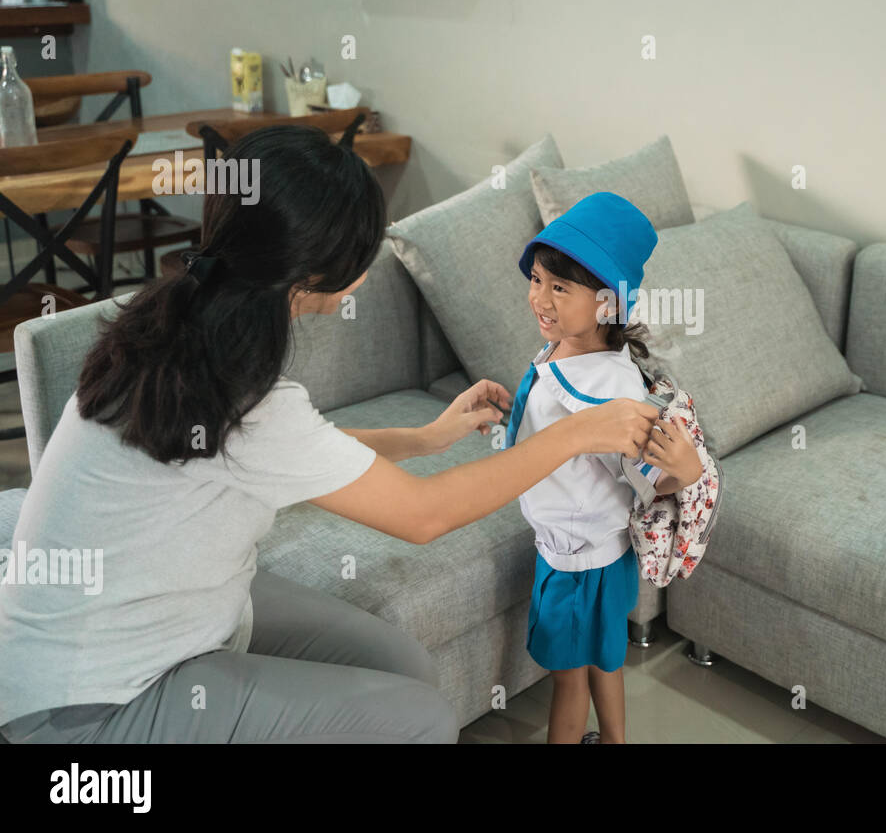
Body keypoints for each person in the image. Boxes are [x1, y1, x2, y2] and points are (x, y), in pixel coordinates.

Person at [0, 125, 659, 744]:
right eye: (360, 252)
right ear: (312, 272)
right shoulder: (233, 387)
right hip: (86, 704)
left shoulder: (181, 319)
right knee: (423, 718)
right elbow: (426, 515)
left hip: (176, 612)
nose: (367, 271)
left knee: (406, 665)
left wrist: (427, 437)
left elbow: (289, 455)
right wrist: (578, 434)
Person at [507, 192, 703, 743]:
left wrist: (682, 472)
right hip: (587, 549)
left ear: (606, 305)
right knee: (603, 660)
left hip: (577, 563)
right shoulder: (566, 349)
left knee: (569, 681)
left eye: (559, 287)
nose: (540, 298)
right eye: (537, 280)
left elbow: (645, 474)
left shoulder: (613, 391)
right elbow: (542, 421)